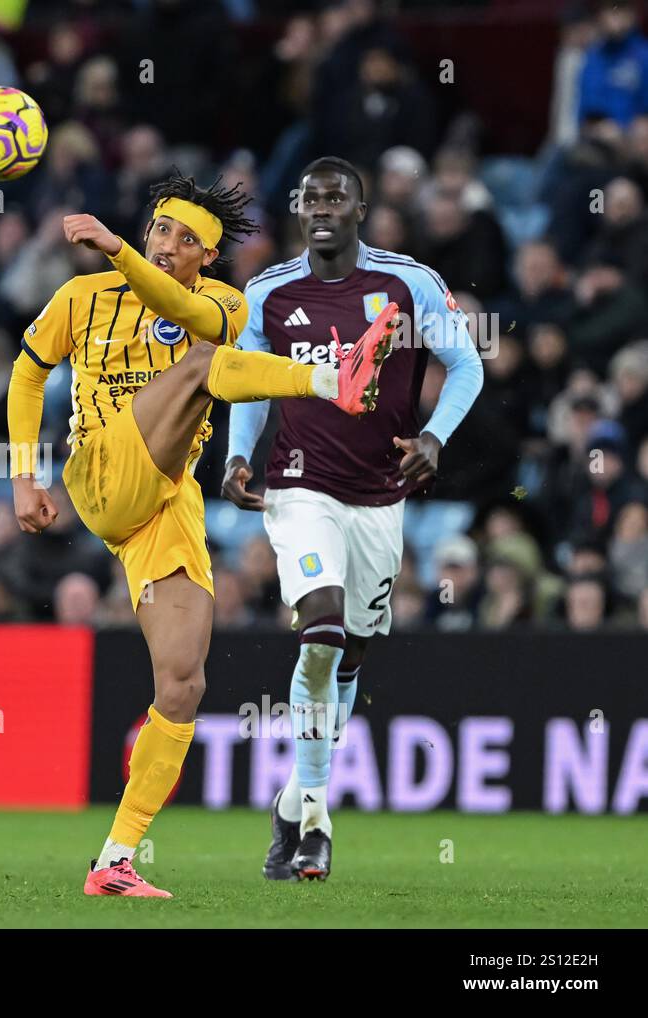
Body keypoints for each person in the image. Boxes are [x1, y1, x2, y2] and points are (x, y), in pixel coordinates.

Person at [7, 170, 394, 897]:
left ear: (207, 259)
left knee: (183, 683)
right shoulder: (79, 297)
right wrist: (24, 476)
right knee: (197, 369)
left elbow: (189, 315)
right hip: (101, 470)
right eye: (162, 230)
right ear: (148, 229)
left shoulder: (221, 301)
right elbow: (29, 376)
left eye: (189, 240)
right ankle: (331, 381)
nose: (169, 246)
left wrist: (117, 249)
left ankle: (115, 861)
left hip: (166, 502)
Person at [223, 157, 483, 881]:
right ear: (300, 210)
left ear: (360, 208)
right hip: (300, 488)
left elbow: (467, 365)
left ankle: (296, 798)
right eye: (312, 197)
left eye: (338, 196)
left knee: (351, 656)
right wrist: (239, 456)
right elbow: (246, 381)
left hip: (380, 497)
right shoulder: (268, 292)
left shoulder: (408, 283)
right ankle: (317, 824)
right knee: (323, 626)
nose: (324, 206)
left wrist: (434, 437)